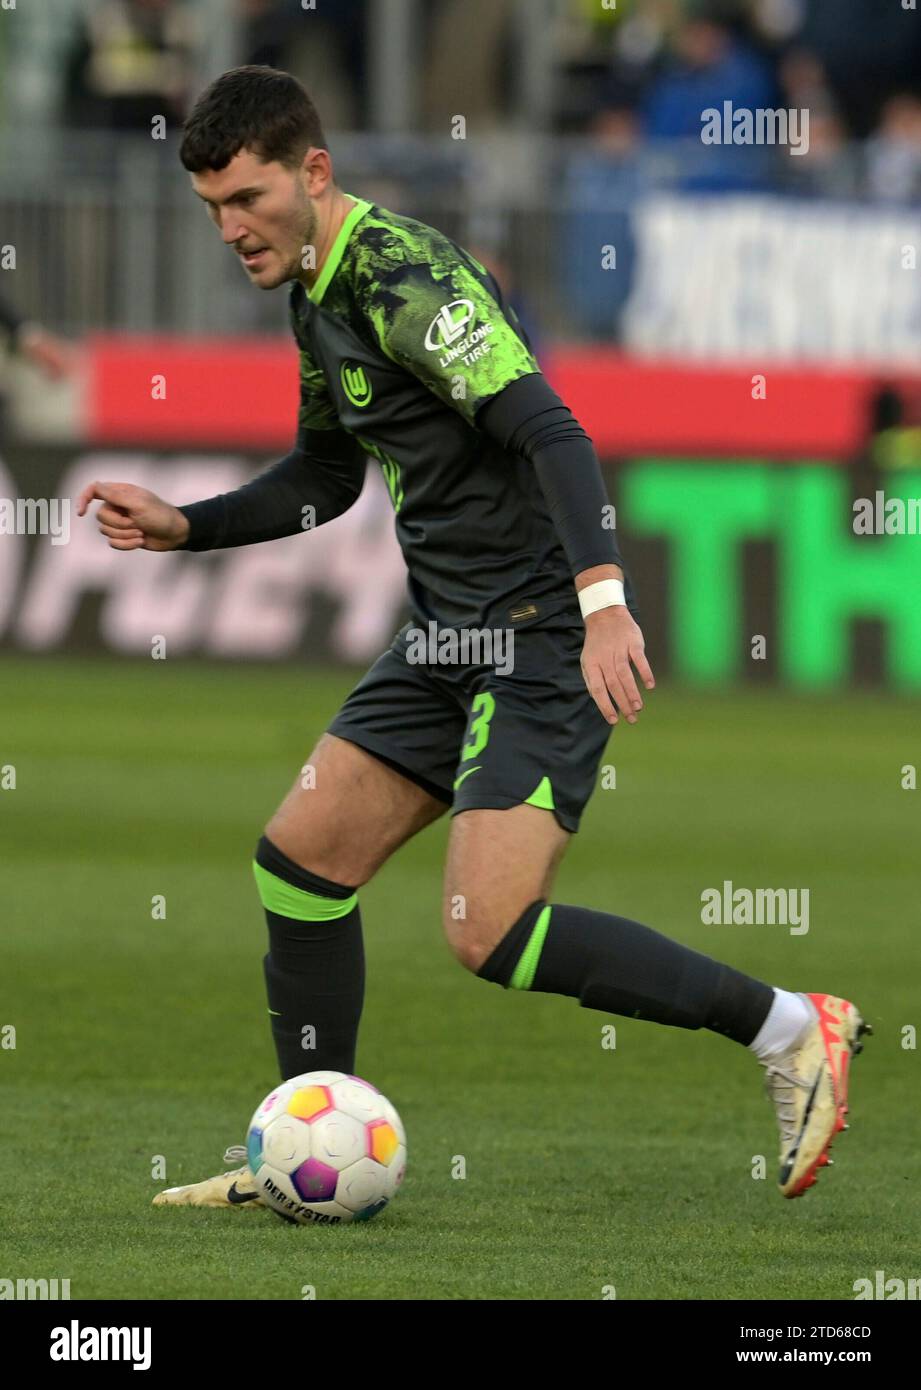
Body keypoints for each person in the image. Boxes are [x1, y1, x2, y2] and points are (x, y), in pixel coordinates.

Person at [78, 66, 869, 1211]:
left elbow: (552, 424)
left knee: (484, 928)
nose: (230, 228)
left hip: (541, 629)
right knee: (301, 863)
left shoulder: (403, 280)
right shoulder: (316, 289)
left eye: (247, 198)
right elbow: (326, 474)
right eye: (211, 208)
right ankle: (296, 1151)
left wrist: (605, 605)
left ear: (314, 170)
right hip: (448, 632)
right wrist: (186, 527)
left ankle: (794, 1027)